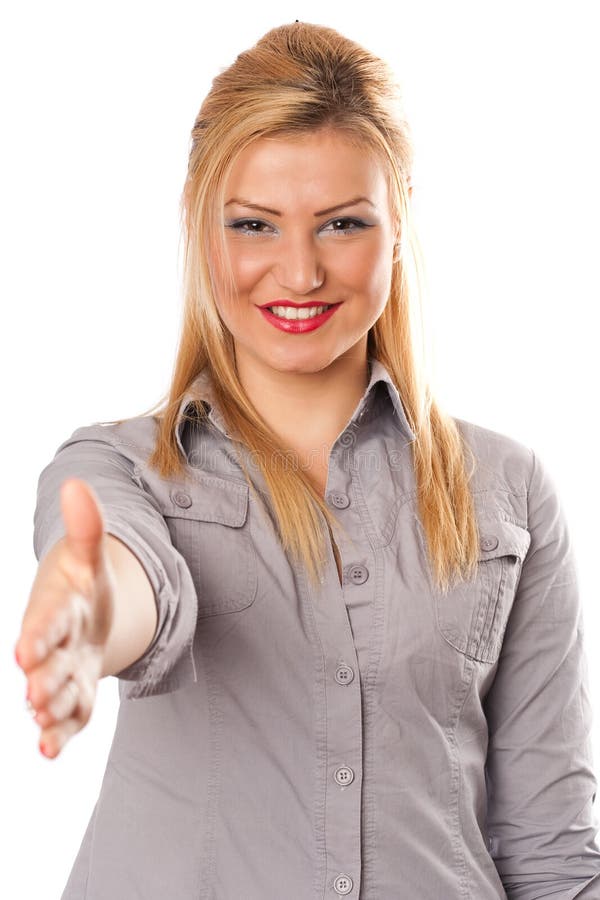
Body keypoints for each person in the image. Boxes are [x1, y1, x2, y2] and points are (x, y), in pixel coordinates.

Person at [14, 20, 600, 900]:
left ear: (397, 228)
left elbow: (550, 846)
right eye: (254, 223)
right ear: (202, 231)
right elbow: (131, 582)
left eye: (341, 224)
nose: (297, 272)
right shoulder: (119, 466)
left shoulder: (508, 492)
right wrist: (85, 619)